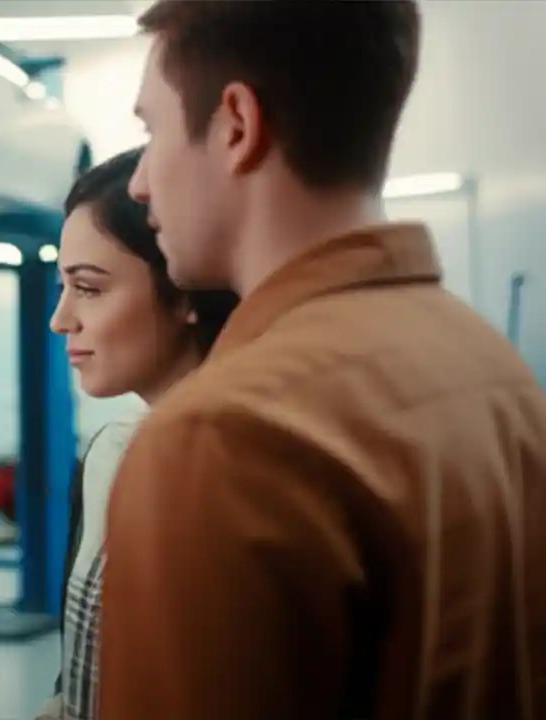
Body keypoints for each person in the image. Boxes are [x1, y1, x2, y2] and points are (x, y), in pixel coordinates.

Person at [97, 1, 546, 718]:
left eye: (151, 131)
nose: (141, 181)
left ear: (236, 127)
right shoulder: (496, 371)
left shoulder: (221, 439)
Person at [35, 147, 237, 720]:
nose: (60, 319)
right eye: (62, 287)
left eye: (90, 288)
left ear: (186, 284)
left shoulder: (243, 474)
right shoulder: (107, 456)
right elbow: (79, 674)